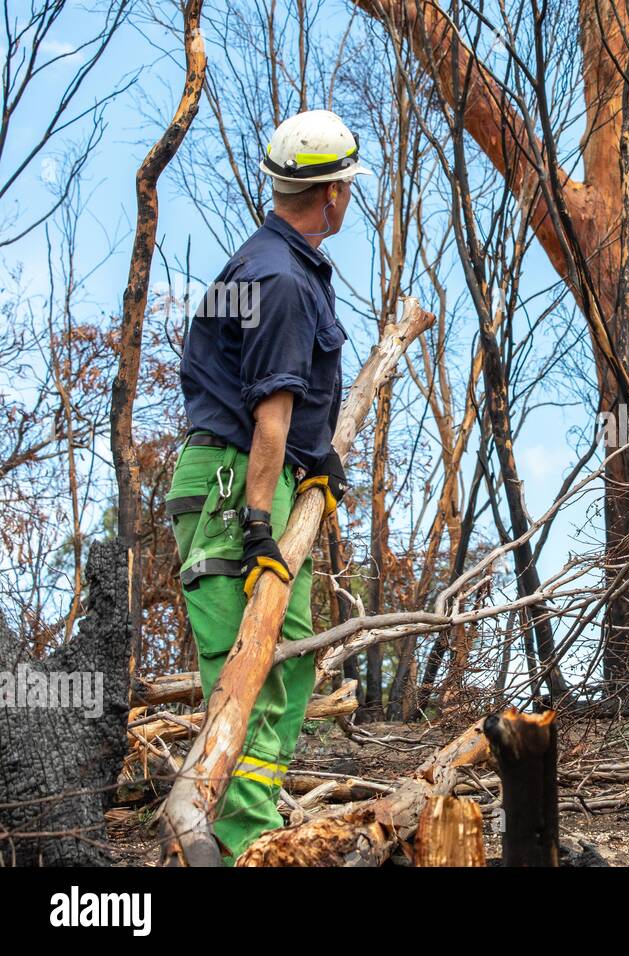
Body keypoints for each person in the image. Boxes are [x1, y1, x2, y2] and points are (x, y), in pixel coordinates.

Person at [165, 109, 368, 862]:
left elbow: (277, 408)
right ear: (334, 194)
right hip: (235, 481)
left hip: (265, 474)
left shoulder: (273, 262)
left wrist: (316, 459)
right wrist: (256, 525)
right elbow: (267, 416)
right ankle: (230, 840)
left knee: (290, 658)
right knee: (243, 664)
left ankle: (249, 830)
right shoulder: (279, 279)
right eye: (348, 187)